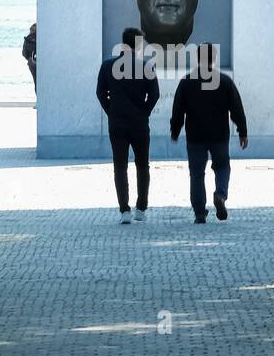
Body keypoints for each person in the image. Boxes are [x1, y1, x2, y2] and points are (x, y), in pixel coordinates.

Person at [170, 43, 248, 224]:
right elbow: (237, 108)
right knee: (222, 167)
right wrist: (242, 131)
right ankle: (220, 194)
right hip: (219, 135)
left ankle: (199, 212)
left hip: (195, 136)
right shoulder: (225, 81)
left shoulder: (187, 82)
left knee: (196, 173)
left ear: (198, 58)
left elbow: (178, 110)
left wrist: (175, 130)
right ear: (214, 59)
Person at [96, 27, 160, 224]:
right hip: (139, 123)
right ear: (139, 45)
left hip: (117, 123)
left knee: (120, 166)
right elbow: (155, 95)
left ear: (123, 43)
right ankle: (141, 208)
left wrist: (111, 111)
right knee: (143, 164)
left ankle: (124, 210)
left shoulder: (108, 66)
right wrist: (145, 112)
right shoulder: (146, 67)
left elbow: (100, 93)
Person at [22, 23, 37, 91]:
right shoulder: (43, 37)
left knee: (36, 82)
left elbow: (24, 54)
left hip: (32, 63)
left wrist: (29, 58)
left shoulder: (27, 39)